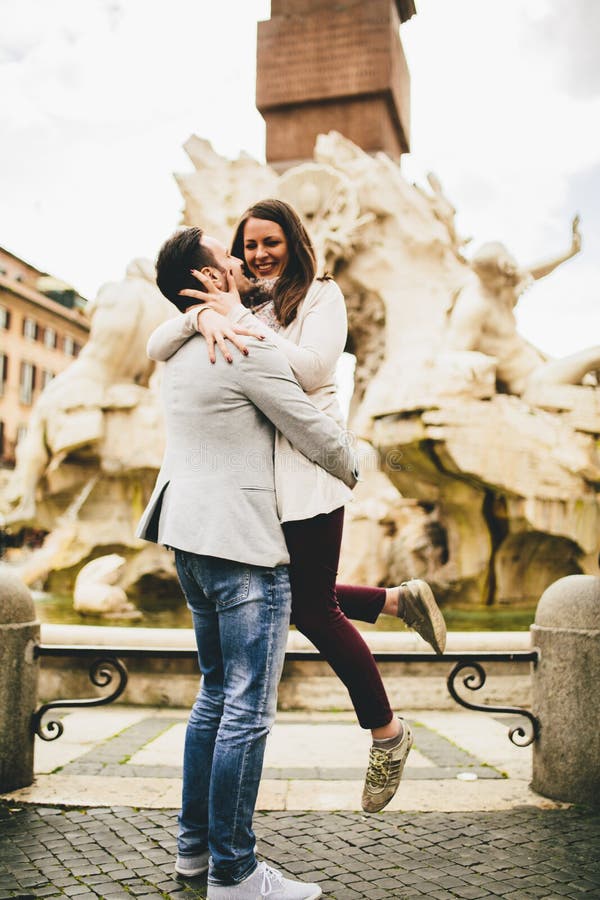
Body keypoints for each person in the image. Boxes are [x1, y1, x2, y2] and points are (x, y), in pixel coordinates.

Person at [147, 200, 447, 815]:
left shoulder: (320, 295)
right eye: (247, 244)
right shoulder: (247, 301)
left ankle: (386, 732)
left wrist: (234, 319)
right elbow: (160, 339)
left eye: (269, 242)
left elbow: (311, 372)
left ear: (295, 241)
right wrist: (203, 319)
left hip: (310, 470)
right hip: (263, 481)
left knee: (308, 606)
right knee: (294, 596)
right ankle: (395, 601)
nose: (257, 254)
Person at [138, 226, 361, 898]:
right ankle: (235, 873)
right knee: (246, 710)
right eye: (225, 255)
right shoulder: (241, 341)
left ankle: (193, 855)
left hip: (188, 539)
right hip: (242, 547)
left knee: (213, 699)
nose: (240, 260)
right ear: (209, 280)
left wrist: (200, 311)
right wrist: (357, 464)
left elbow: (169, 334)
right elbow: (312, 430)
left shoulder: (182, 341)